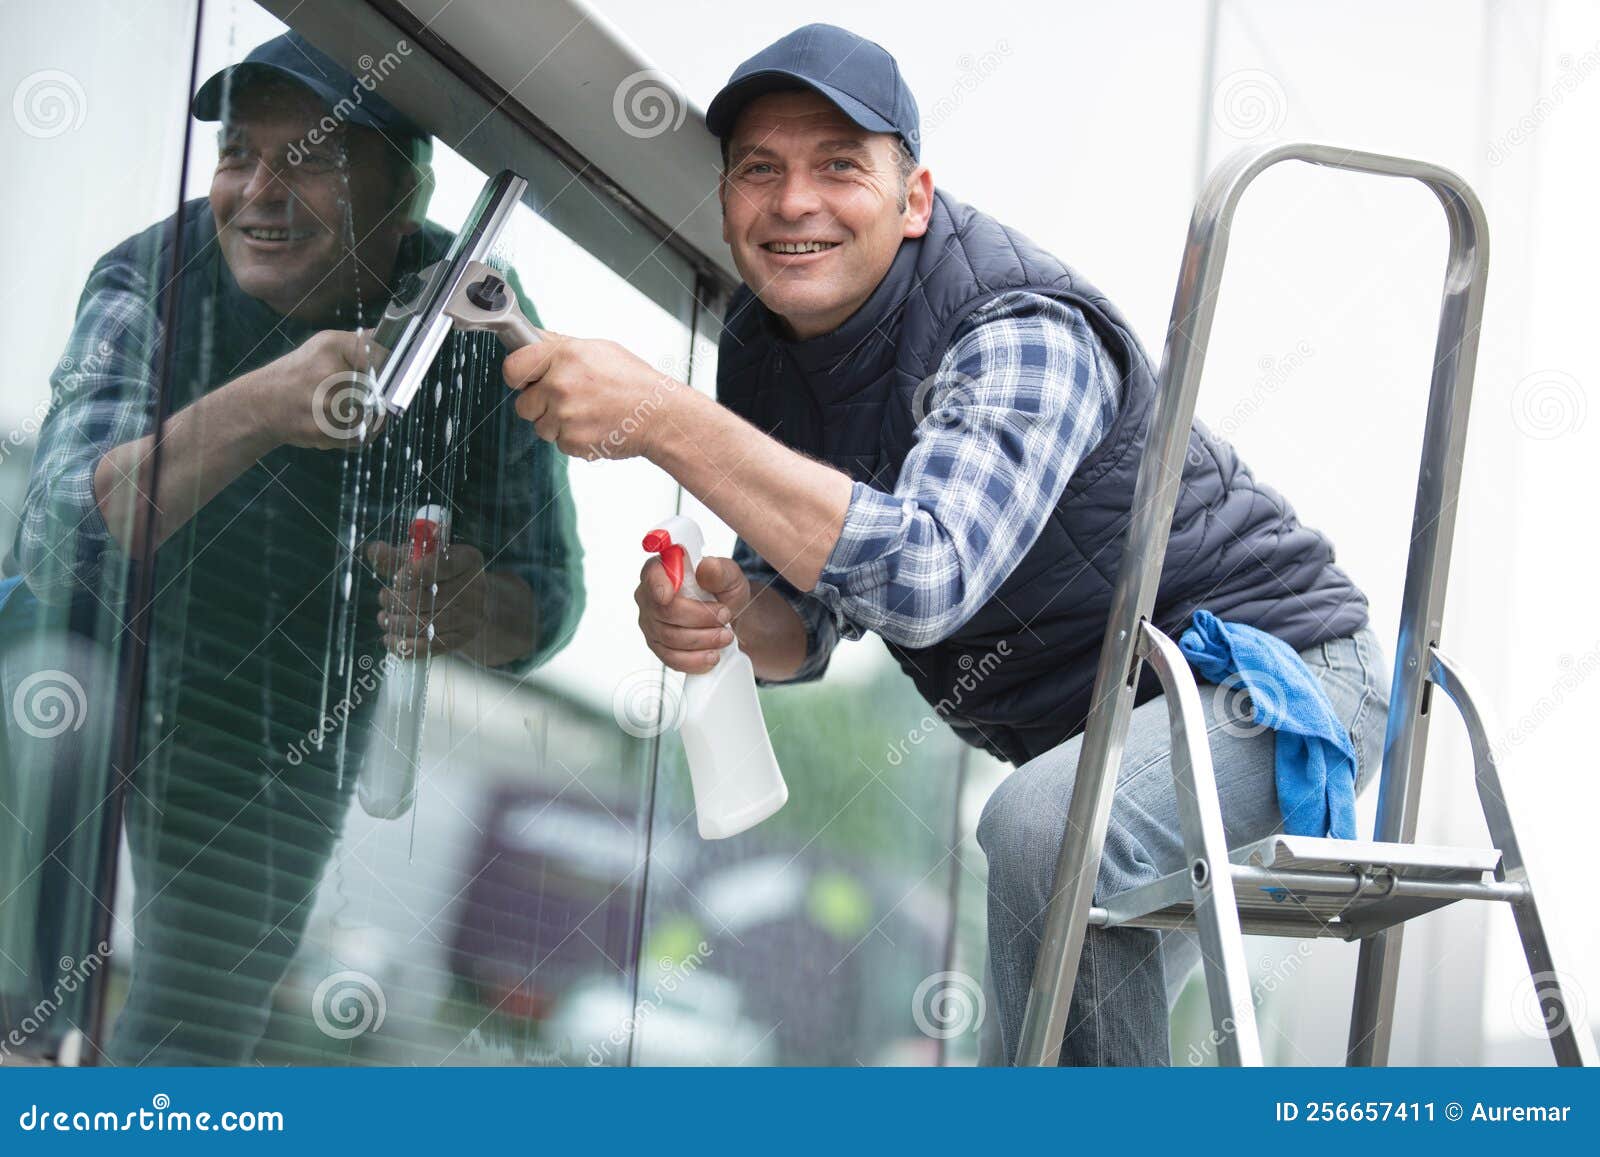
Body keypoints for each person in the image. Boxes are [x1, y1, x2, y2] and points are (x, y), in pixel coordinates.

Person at [499, 23, 1391, 1065]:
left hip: (1273, 687)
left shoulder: (1017, 329)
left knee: (1046, 833)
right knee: (1052, 904)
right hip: (1092, 735)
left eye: (840, 167)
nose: (794, 203)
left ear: (913, 198)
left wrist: (660, 414)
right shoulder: (763, 348)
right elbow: (807, 623)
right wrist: (730, 620)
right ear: (729, 199)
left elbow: (927, 576)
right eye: (760, 171)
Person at [0, 31, 583, 1064]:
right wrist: (263, 406)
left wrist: (465, 606)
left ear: (404, 190)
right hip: (83, 650)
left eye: (307, 156)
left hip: (276, 706)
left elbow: (544, 603)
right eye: (238, 153)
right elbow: (59, 537)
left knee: (193, 1035)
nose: (258, 191)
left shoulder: (469, 319)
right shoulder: (151, 272)